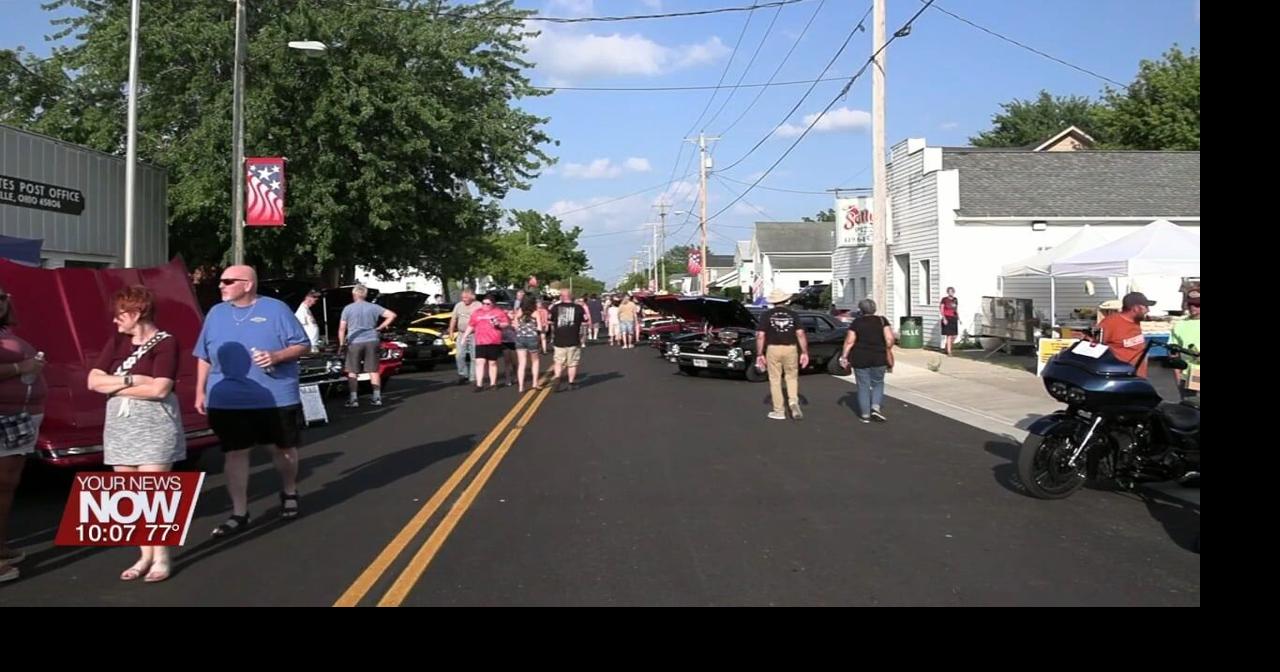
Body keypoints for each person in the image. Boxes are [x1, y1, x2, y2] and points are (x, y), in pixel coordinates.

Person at [195, 265, 312, 537]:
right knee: (235, 453)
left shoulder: (276, 310)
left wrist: (276, 356)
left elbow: (303, 345)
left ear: (247, 284)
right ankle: (239, 512)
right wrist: (200, 391)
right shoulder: (215, 313)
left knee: (282, 450)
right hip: (227, 400)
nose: (220, 285)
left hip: (275, 397)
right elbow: (203, 355)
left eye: (227, 281)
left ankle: (289, 491)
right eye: (221, 281)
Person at [87, 286, 185, 583]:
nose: (115, 321)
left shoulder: (166, 342)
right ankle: (144, 555)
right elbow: (92, 381)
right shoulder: (117, 342)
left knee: (153, 493)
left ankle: (162, 556)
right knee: (131, 496)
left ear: (136, 312)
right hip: (120, 427)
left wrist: (115, 382)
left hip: (155, 427)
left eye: (119, 315)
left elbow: (160, 389)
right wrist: (133, 378)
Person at [0, 285, 47, 584]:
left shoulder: (6, 332)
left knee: (7, 486)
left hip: (20, 417)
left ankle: (0, 547)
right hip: (4, 416)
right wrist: (23, 366)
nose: (2, 301)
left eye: (2, 297)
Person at [338, 285, 396, 408]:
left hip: (354, 341)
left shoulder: (348, 309)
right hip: (372, 339)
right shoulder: (374, 307)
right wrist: (380, 327)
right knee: (373, 370)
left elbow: (342, 328)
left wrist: (341, 344)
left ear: (354, 295)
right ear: (365, 295)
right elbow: (392, 315)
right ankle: (376, 397)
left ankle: (353, 399)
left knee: (352, 371)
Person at [754, 289, 809, 420]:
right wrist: (805, 352)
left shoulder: (766, 315)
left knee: (775, 379)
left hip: (773, 348)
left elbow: (760, 335)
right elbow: (800, 334)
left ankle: (779, 411)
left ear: (773, 302)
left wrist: (759, 354)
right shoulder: (793, 314)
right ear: (785, 301)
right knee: (791, 377)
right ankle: (793, 401)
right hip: (791, 348)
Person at [839, 298, 896, 424]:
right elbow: (890, 338)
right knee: (878, 382)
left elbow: (849, 341)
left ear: (861, 310)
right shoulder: (882, 321)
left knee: (863, 385)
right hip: (879, 356)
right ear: (874, 309)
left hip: (860, 357)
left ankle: (865, 414)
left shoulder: (857, 323)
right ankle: (875, 407)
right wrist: (887, 349)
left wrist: (844, 356)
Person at [461, 292, 510, 392]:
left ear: (493, 304)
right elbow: (471, 325)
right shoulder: (477, 312)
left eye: (487, 304)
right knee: (480, 362)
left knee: (492, 363)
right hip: (480, 341)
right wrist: (464, 336)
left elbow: (506, 324)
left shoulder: (498, 312)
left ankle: (493, 383)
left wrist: (498, 324)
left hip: (493, 341)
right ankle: (479, 384)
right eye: (483, 303)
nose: (485, 306)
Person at [1099, 292, 1155, 378]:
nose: (1148, 310)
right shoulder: (1110, 323)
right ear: (1135, 308)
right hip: (1122, 377)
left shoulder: (1136, 321)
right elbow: (1096, 346)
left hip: (1139, 377)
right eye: (1146, 307)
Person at [549, 289, 587, 391]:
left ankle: (557, 378)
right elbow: (585, 320)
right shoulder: (579, 308)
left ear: (561, 296)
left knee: (558, 362)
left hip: (559, 338)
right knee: (572, 363)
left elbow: (550, 320)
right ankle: (571, 382)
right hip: (573, 338)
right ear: (571, 296)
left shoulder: (555, 308)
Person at [1170, 289, 1200, 400]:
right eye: (1190, 304)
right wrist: (1177, 376)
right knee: (1189, 411)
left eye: (1197, 304)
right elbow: (1173, 353)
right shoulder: (1179, 325)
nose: (1193, 307)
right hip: (1187, 377)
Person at [512, 294, 546, 392]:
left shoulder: (519, 312)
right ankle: (535, 383)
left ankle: (521, 386)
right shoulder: (535, 313)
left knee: (522, 363)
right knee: (535, 361)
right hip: (532, 338)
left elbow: (515, 326)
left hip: (520, 338)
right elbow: (539, 327)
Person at [447, 289, 478, 385]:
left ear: (472, 297)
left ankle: (474, 377)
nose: (464, 300)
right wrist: (451, 331)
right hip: (461, 333)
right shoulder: (458, 305)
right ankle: (462, 374)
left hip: (474, 334)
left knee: (474, 356)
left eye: (466, 298)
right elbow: (453, 319)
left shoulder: (478, 305)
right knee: (459, 355)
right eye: (462, 298)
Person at [939, 286, 959, 356]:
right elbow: (941, 309)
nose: (951, 293)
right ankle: (949, 351)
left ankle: (947, 347)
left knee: (955, 335)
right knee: (949, 335)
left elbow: (956, 309)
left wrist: (958, 318)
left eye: (952, 291)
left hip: (954, 317)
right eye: (950, 291)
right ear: (948, 292)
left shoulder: (955, 299)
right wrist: (944, 318)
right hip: (947, 317)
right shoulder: (944, 299)